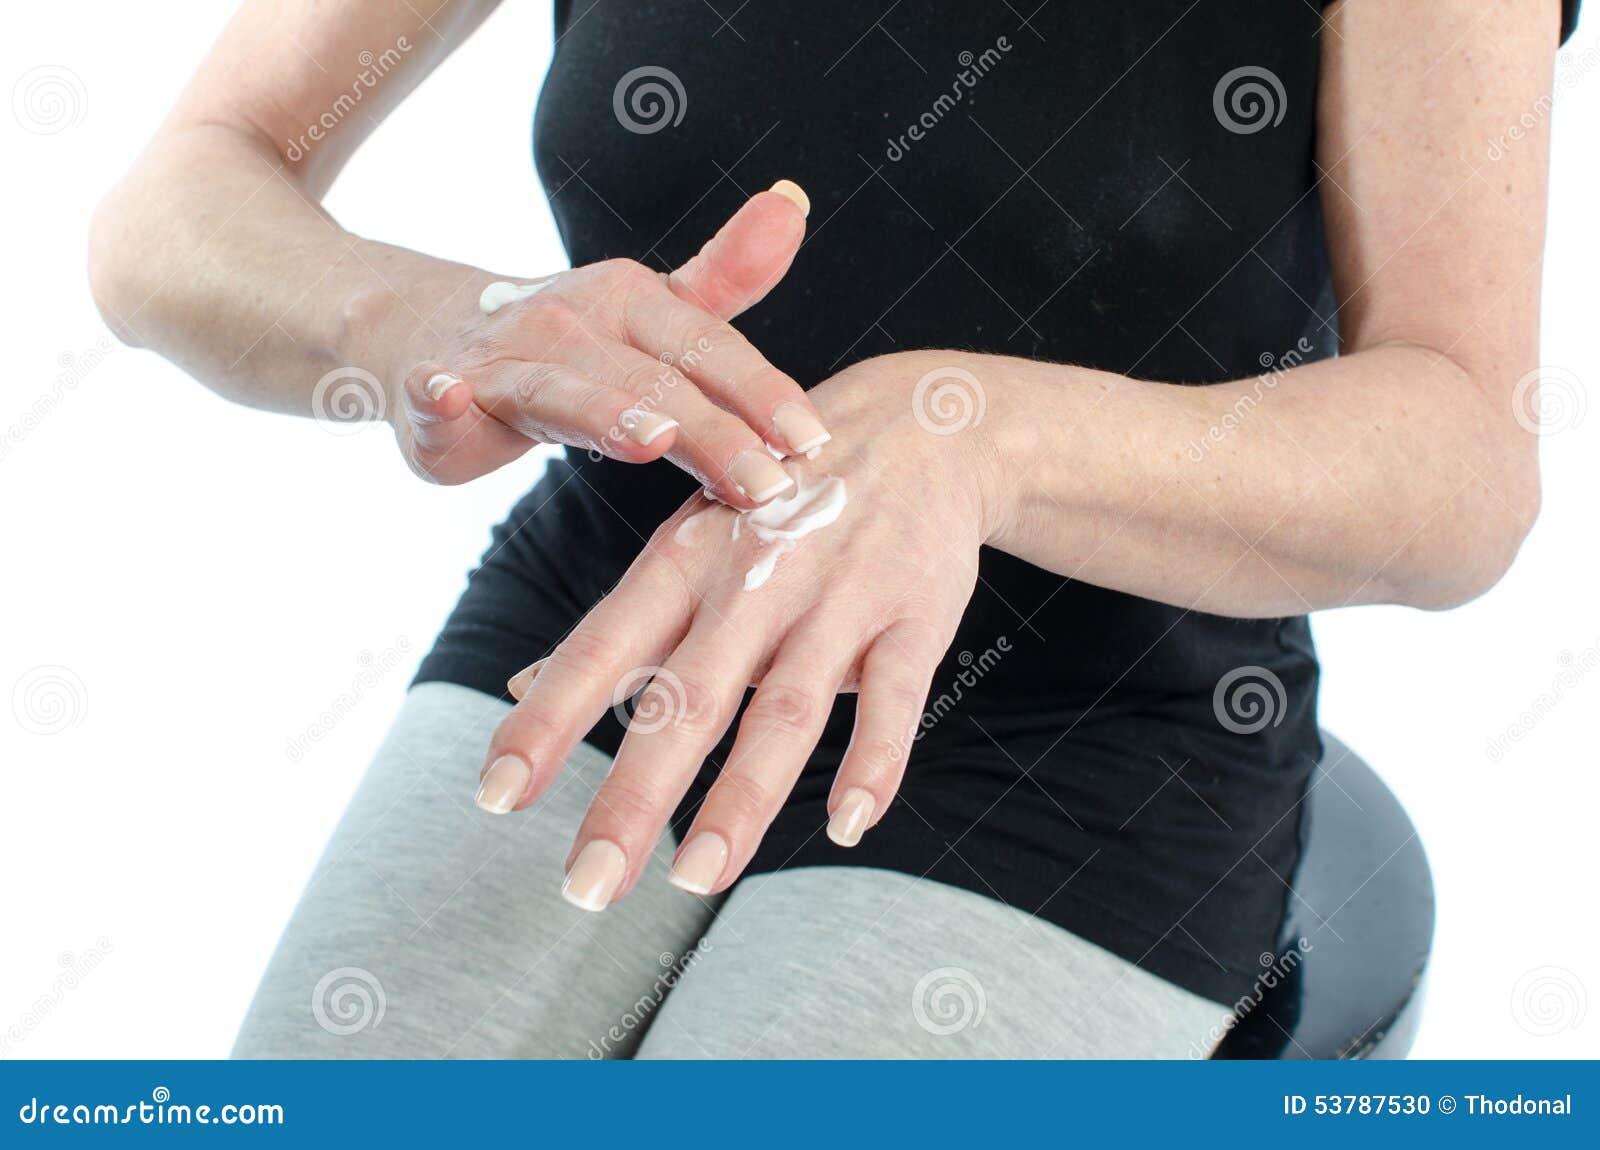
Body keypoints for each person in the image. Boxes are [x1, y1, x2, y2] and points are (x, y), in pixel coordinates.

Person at [89, 0, 1579, 1058]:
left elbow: (1463, 458)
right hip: (615, 626)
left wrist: (979, 437)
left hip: (1085, 727)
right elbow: (180, 195)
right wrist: (432, 318)